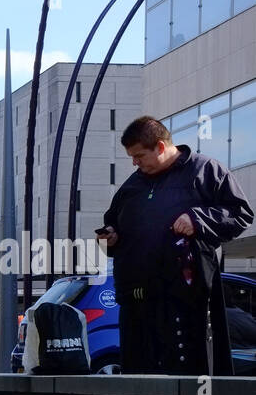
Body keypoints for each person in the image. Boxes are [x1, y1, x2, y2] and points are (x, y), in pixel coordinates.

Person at [100, 115, 254, 375]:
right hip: (138, 304)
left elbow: (241, 214)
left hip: (187, 301)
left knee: (190, 380)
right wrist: (112, 236)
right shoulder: (132, 186)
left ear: (160, 147)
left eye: (139, 155)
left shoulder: (205, 171)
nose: (135, 163)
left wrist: (198, 219)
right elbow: (113, 222)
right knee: (140, 383)